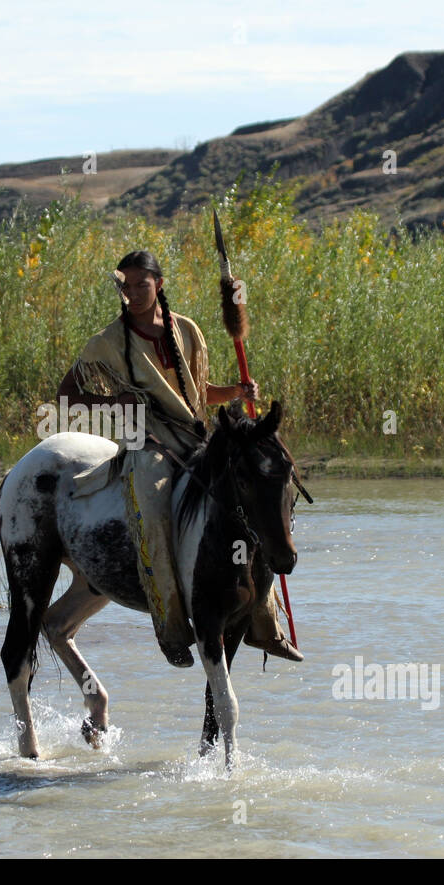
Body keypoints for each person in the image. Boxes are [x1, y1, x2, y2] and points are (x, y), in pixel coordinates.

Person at [55, 250, 303, 668]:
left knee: (250, 501)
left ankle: (265, 625)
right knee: (152, 510)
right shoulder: (108, 342)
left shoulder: (185, 329)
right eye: (127, 286)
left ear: (159, 285)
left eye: (141, 285)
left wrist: (237, 393)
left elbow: (197, 391)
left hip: (195, 436)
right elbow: (67, 398)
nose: (133, 293)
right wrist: (113, 401)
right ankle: (171, 627)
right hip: (146, 443)